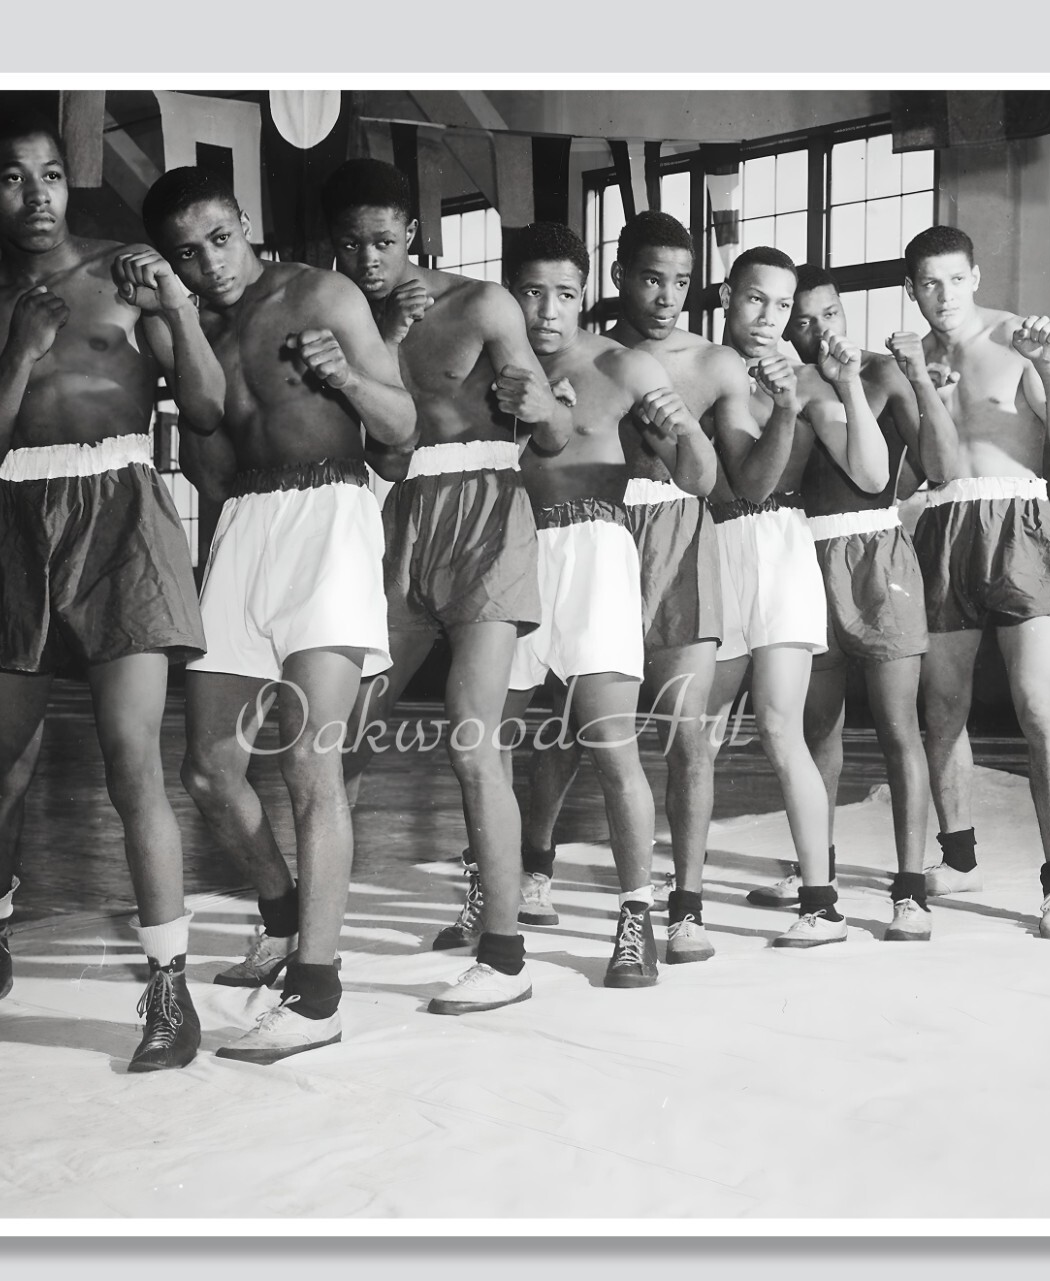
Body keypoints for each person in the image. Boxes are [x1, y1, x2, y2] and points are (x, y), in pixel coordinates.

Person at [0, 108, 217, 1071]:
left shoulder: (127, 272)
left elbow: (208, 406)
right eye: (14, 180)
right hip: (18, 520)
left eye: (51, 175)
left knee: (133, 754)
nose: (38, 196)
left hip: (126, 515)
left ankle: (170, 993)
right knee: (3, 764)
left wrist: (175, 303)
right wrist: (22, 349)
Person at [142, 165, 419, 1061]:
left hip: (331, 518)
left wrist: (345, 380)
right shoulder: (189, 325)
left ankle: (321, 991)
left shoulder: (324, 291)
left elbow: (403, 427)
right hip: (242, 529)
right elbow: (212, 443)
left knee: (311, 760)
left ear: (245, 225)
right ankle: (284, 916)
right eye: (189, 251)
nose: (211, 262)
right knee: (207, 769)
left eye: (221, 238)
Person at [320, 160, 555, 1015]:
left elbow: (555, 430)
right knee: (342, 735)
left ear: (412, 235)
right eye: (351, 245)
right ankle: (311, 943)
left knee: (470, 739)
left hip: (492, 515)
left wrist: (537, 404)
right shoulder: (345, 324)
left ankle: (505, 955)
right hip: (404, 517)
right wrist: (377, 349)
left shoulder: (483, 304)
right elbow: (383, 449)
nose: (369, 257)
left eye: (383, 240)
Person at [516, 211, 755, 964]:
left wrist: (683, 431)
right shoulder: (549, 349)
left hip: (676, 536)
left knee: (686, 730)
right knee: (563, 724)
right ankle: (533, 868)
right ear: (616, 279)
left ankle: (684, 906)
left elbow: (716, 478)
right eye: (652, 278)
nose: (666, 296)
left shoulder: (706, 363)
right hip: (585, 535)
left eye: (681, 282)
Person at [752, 264, 959, 941]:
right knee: (820, 731)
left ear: (846, 311)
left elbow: (937, 466)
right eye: (803, 319)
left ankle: (909, 888)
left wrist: (924, 383)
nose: (817, 330)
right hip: (806, 555)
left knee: (900, 725)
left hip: (877, 553)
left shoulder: (881, 372)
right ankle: (819, 867)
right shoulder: (783, 380)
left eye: (828, 314)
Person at [902, 226, 1050, 941]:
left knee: (1039, 704)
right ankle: (958, 857)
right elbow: (910, 470)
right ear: (912, 289)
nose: (943, 295)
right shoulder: (911, 356)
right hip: (942, 527)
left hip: (1016, 521)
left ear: (975, 277)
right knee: (941, 707)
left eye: (955, 279)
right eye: (928, 282)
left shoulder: (1018, 337)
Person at [702, 247, 890, 947]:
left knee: (784, 730)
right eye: (756, 299)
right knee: (699, 735)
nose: (769, 317)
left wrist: (843, 387)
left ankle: (822, 903)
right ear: (727, 295)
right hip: (714, 549)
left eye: (782, 305)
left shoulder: (810, 382)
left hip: (781, 552)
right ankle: (682, 891)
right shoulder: (699, 365)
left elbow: (872, 475)